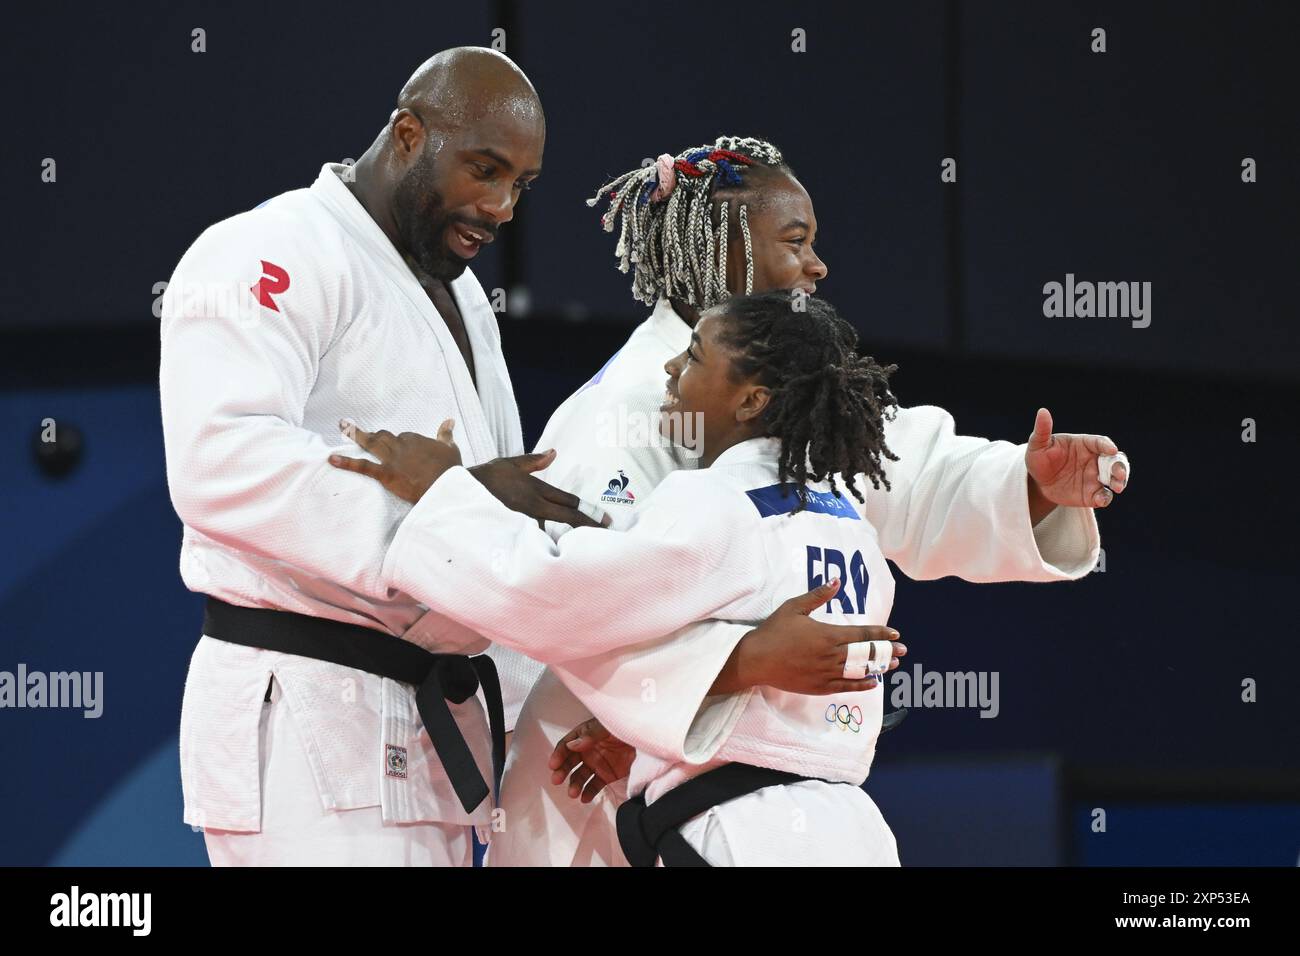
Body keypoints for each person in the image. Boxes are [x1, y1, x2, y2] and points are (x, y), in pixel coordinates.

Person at [160, 54, 892, 868]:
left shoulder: (463, 296)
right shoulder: (270, 247)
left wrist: (463, 509)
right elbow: (217, 461)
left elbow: (539, 575)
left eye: (522, 184)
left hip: (434, 722)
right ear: (409, 135)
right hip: (310, 702)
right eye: (484, 170)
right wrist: (442, 504)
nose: (501, 207)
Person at [475, 136, 1128, 866]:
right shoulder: (631, 409)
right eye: (796, 242)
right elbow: (575, 604)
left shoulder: (783, 392)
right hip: (591, 785)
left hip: (721, 793)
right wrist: (728, 667)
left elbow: (907, 474)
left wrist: (1031, 484)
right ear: (719, 249)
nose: (817, 266)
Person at [329, 291, 1123, 865]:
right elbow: (746, 653)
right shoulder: (846, 512)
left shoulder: (717, 502)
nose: (675, 369)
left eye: (697, 359)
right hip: (848, 831)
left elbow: (557, 596)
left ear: (751, 396)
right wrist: (646, 718)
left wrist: (443, 494)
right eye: (795, 236)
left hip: (741, 834)